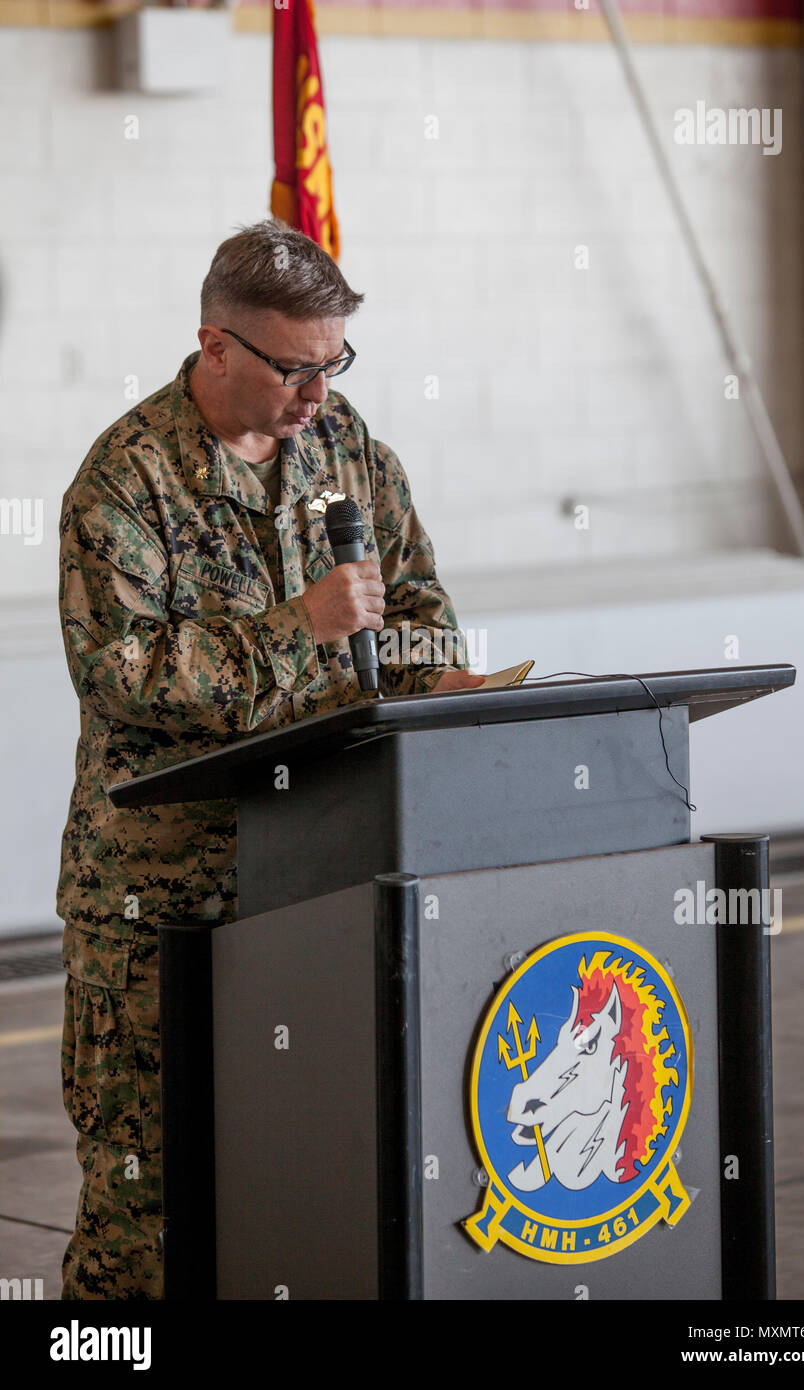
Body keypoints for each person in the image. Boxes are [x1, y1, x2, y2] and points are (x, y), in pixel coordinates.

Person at [56, 219, 483, 1299]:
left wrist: (440, 673)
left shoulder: (345, 449)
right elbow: (126, 676)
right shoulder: (124, 482)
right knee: (144, 1192)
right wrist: (302, 627)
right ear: (215, 347)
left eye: (335, 363)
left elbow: (417, 599)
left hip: (325, 867)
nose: (317, 394)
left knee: (305, 1163)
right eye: (296, 368)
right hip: (162, 897)